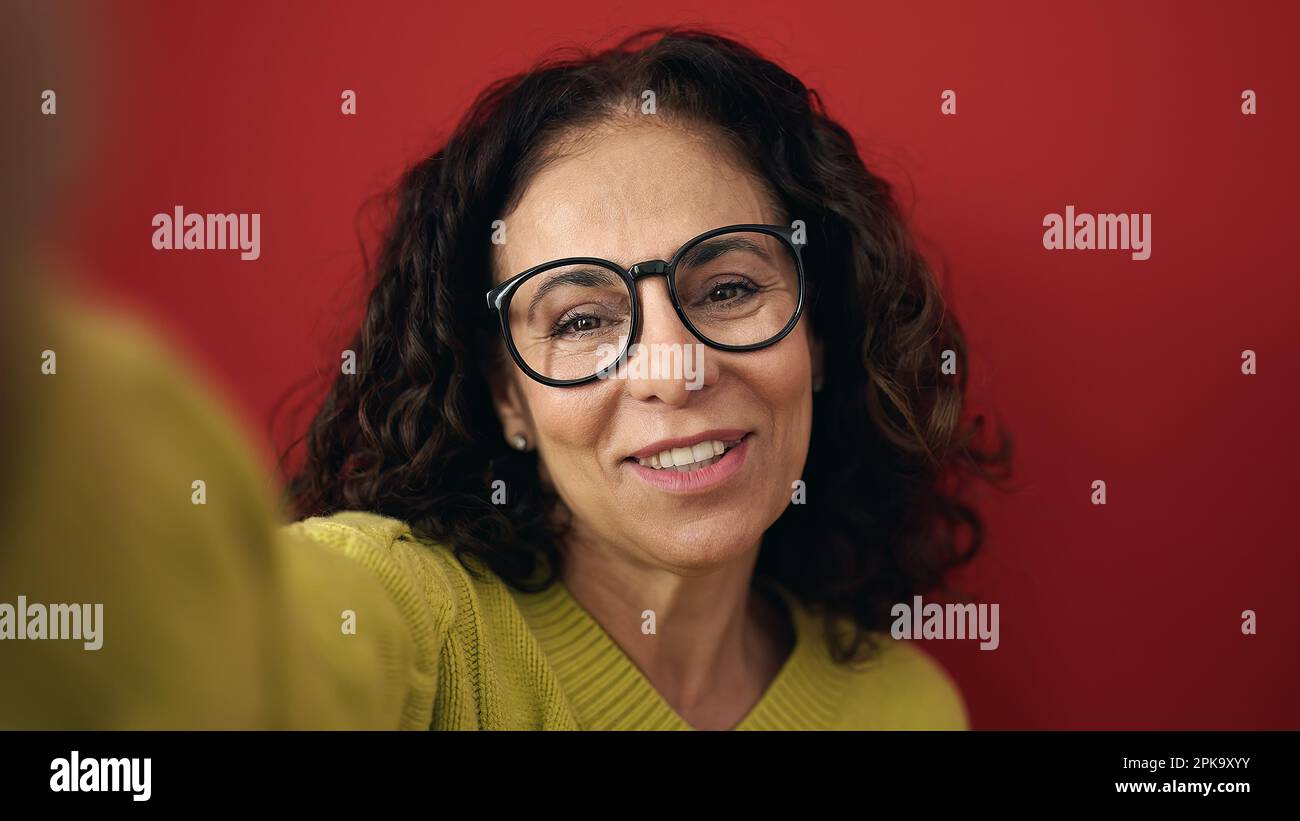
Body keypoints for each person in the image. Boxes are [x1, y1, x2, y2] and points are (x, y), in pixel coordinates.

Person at [282, 26, 1012, 730]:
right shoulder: (417, 625)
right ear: (508, 394)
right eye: (580, 320)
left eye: (728, 289)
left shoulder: (905, 709)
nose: (673, 370)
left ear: (818, 335)